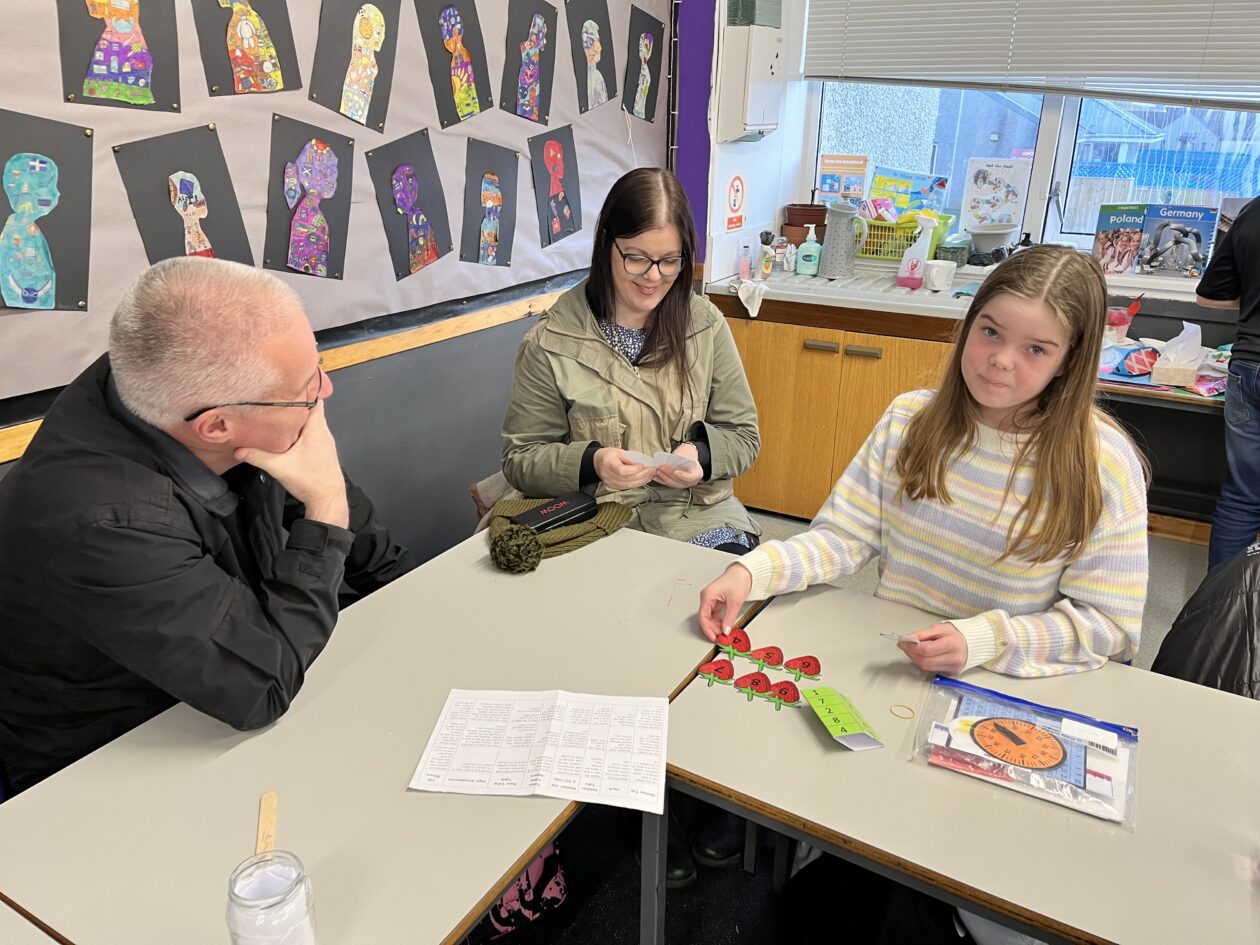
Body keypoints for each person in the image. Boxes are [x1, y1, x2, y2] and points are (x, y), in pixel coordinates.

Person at [701, 246, 1149, 943]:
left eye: (1036, 348)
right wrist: (750, 573)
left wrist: (985, 637)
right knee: (848, 856)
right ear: (967, 324)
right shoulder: (914, 418)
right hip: (893, 683)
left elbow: (1107, 626)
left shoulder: (1103, 462)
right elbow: (840, 539)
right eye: (991, 331)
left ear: (1071, 359)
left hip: (1006, 700)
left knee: (960, 879)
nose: (1001, 361)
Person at [0, 257, 414, 797]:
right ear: (217, 426)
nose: (325, 391)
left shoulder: (168, 381)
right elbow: (260, 689)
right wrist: (327, 509)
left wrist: (408, 590)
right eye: (307, 387)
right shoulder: (103, 525)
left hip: (211, 678)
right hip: (101, 760)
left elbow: (313, 485)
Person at [500, 166, 761, 886]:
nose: (654, 277)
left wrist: (700, 457)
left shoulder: (703, 323)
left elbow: (744, 433)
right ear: (606, 246)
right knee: (621, 659)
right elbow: (521, 459)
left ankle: (713, 793)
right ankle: (645, 812)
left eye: (671, 260)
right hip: (606, 525)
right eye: (638, 257)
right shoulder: (553, 339)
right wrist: (588, 462)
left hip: (698, 516)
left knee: (716, 638)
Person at [1195, 196, 1260, 569]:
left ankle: (1218, 614)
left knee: (1242, 497)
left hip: (1249, 364)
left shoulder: (1252, 210)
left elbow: (1208, 296)